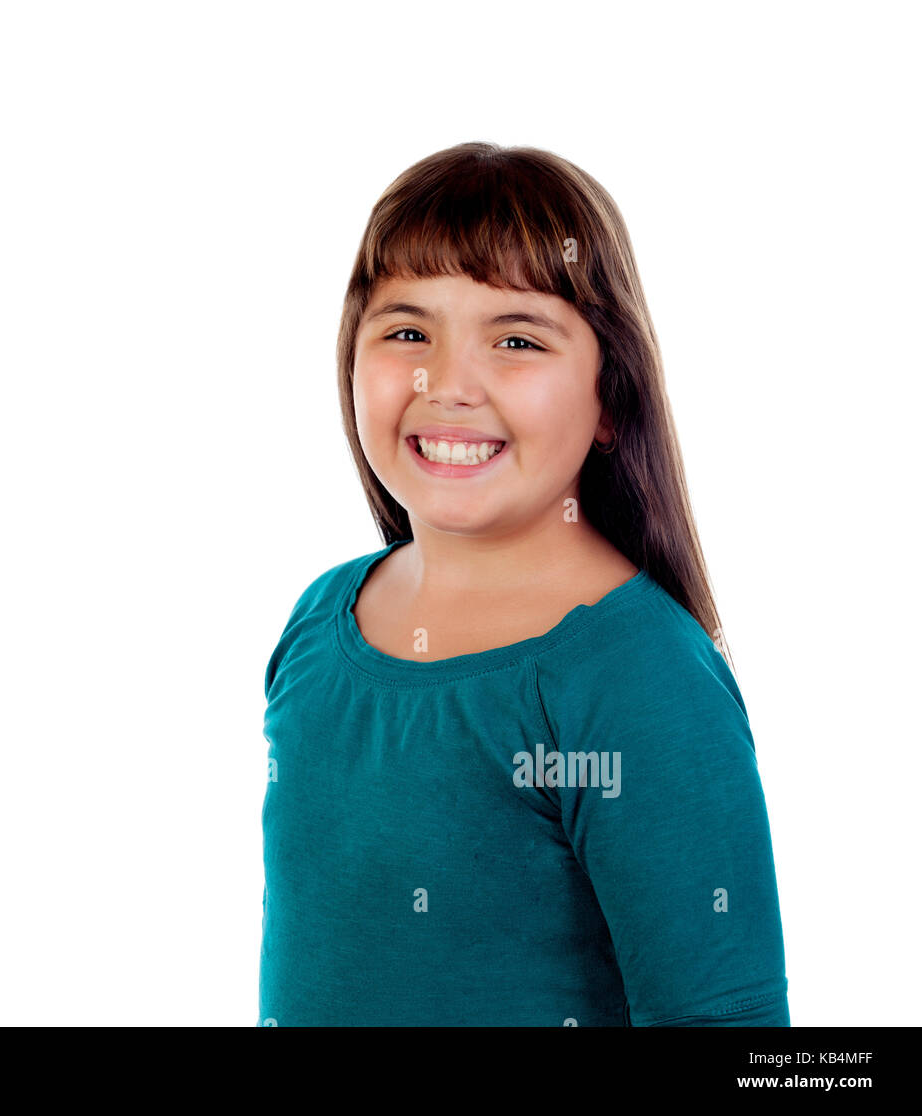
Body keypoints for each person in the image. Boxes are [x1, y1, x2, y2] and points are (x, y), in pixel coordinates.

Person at [258, 141, 789, 1026]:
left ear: (611, 396)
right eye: (407, 332)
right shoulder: (317, 624)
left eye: (515, 339)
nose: (447, 383)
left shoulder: (643, 681)